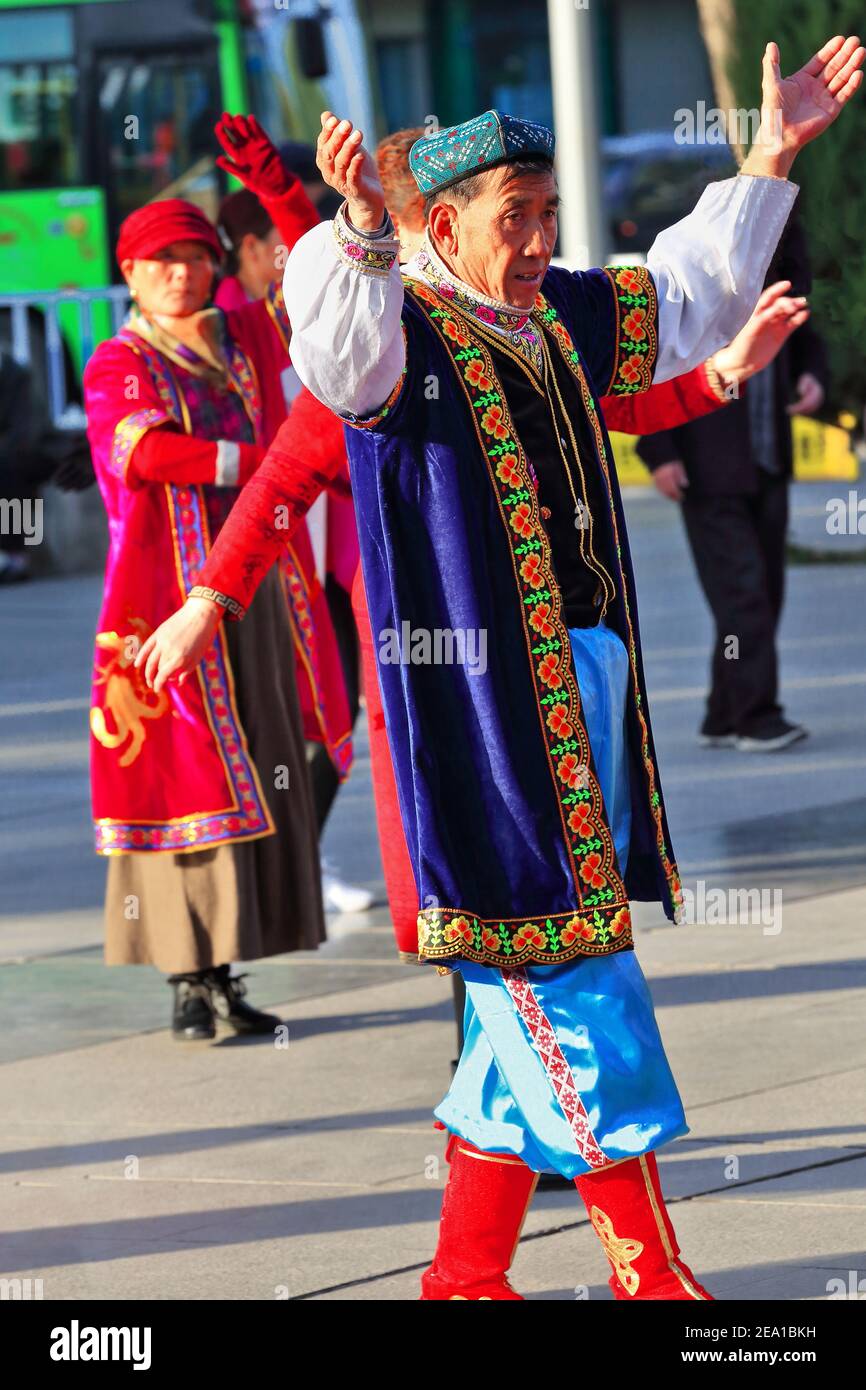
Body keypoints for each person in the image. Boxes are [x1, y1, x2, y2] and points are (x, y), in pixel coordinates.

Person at [136, 29, 862, 1299]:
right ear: (445, 221)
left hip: (582, 698)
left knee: (523, 1016)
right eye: (514, 218)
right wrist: (355, 228)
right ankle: (653, 1279)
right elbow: (328, 367)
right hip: (478, 721)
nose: (536, 241)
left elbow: (683, 292)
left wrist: (767, 151)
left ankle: (464, 1279)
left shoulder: (558, 313)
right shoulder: (391, 337)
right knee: (575, 992)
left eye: (546, 215)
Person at [83, 176, 326, 1042]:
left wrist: (279, 189)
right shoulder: (120, 360)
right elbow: (145, 454)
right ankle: (186, 976)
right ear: (130, 273)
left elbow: (317, 278)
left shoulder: (252, 332)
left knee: (263, 760)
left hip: (256, 587)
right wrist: (261, 463)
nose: (180, 275)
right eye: (160, 261)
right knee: (183, 775)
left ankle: (228, 964)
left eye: (194, 258)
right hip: (161, 602)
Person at [213, 164, 367, 913]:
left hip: (325, 554)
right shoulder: (228, 328)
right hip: (248, 556)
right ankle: (268, 876)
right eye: (281, 244)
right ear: (246, 251)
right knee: (255, 723)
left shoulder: (289, 315)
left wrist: (282, 186)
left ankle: (298, 859)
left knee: (340, 711)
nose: (300, 256)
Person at [636, 208, 829, 752]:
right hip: (708, 469)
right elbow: (652, 370)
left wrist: (813, 379)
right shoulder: (696, 293)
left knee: (761, 592)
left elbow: (806, 341)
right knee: (742, 598)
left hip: (768, 462)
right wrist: (660, 455)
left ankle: (723, 714)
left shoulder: (781, 280)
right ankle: (755, 716)